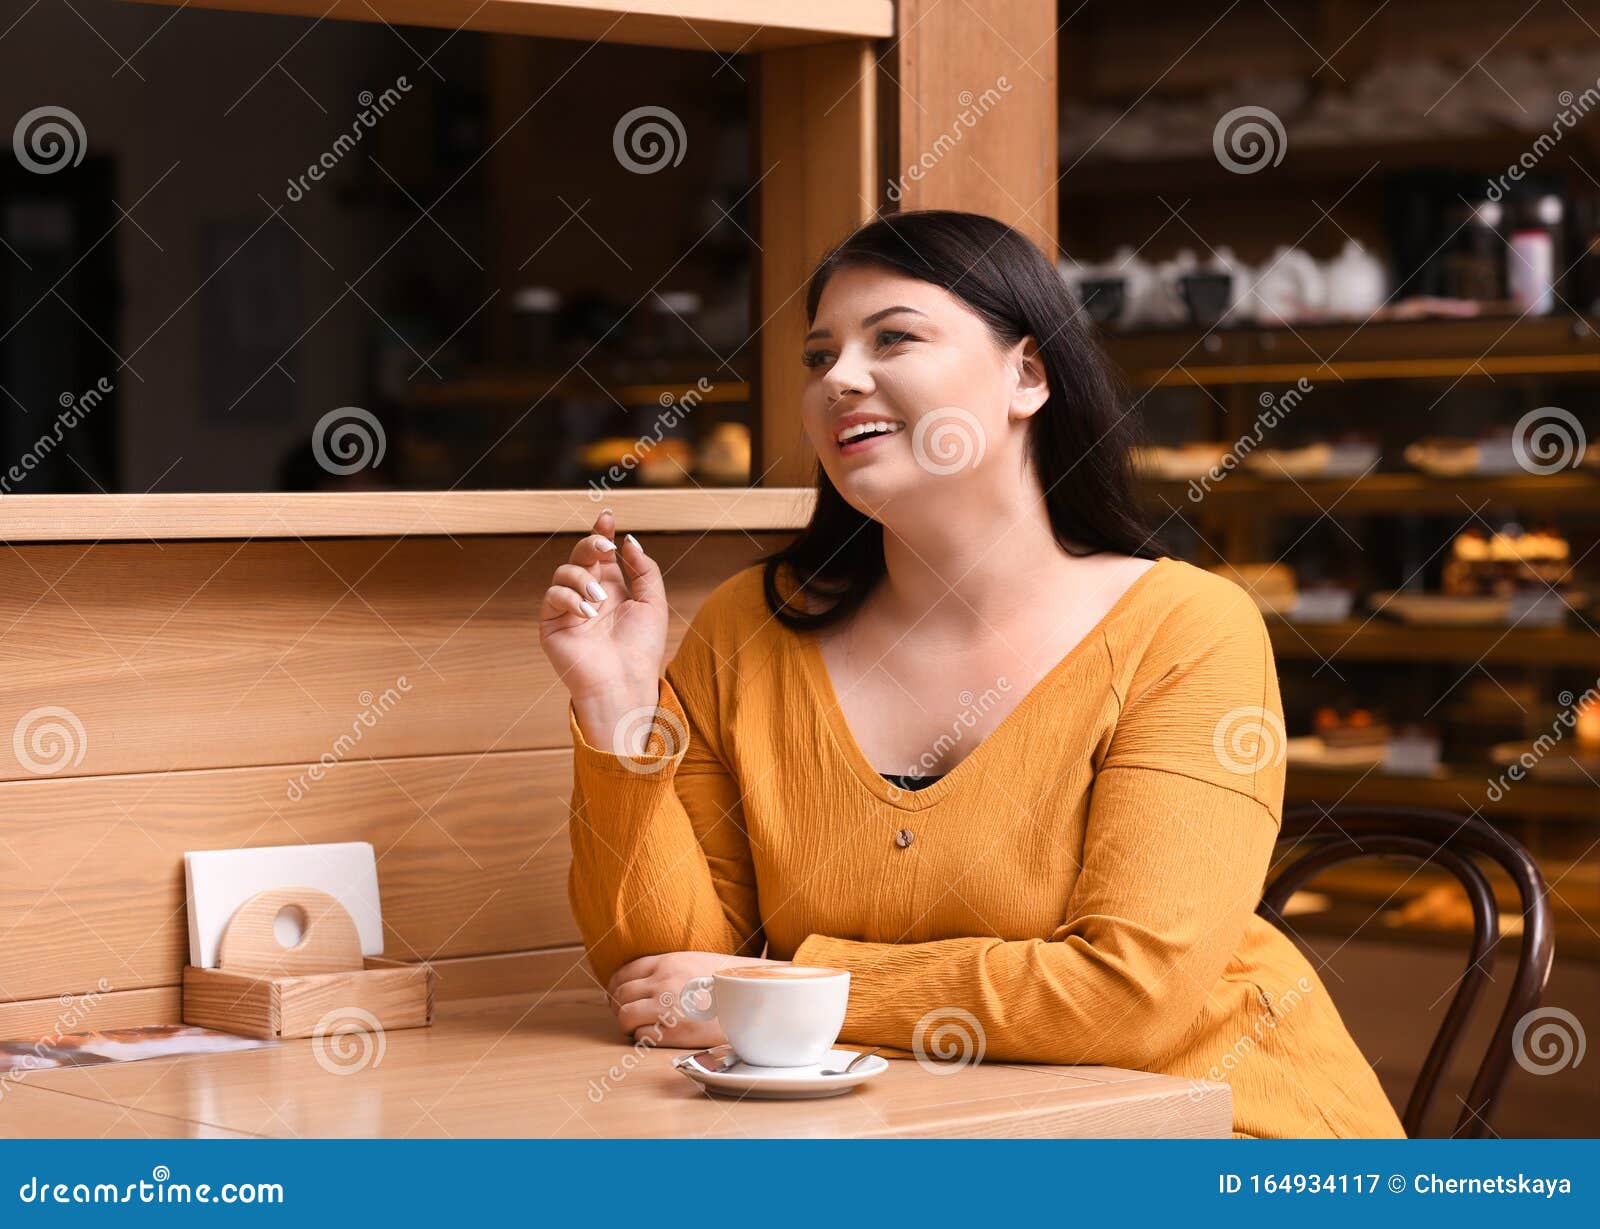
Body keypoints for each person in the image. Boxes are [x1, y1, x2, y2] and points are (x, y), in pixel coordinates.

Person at [538, 210, 1404, 1138]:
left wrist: (803, 988)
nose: (840, 379)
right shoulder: (748, 630)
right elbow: (671, 986)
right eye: (818, 356)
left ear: (1027, 374)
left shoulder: (1187, 629)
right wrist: (619, 705)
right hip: (923, 1138)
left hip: (1221, 1135)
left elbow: (1131, 996)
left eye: (895, 337)